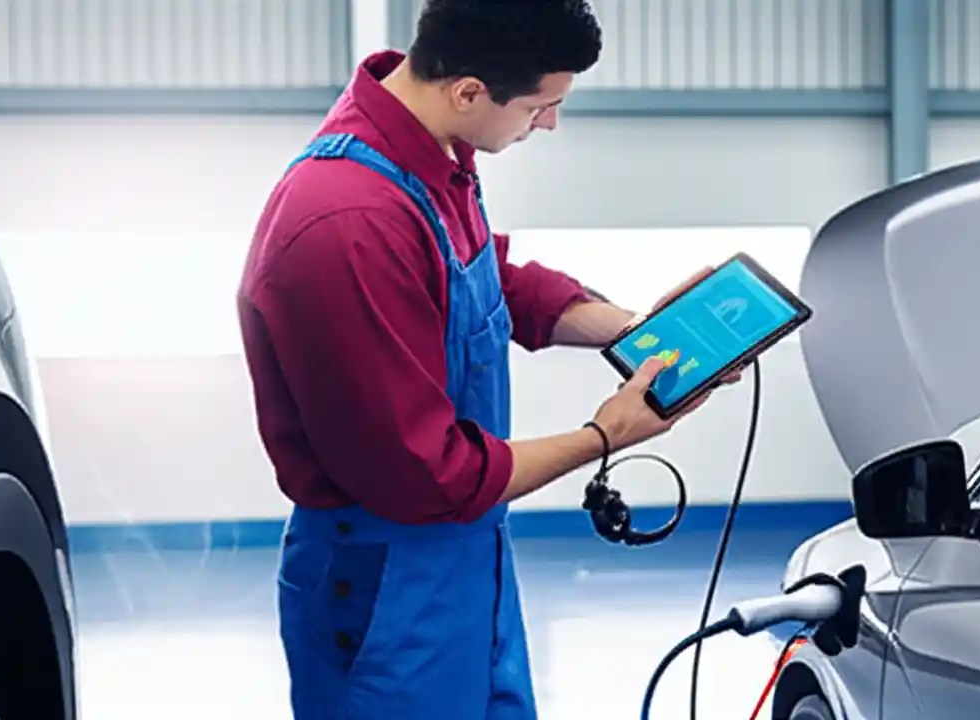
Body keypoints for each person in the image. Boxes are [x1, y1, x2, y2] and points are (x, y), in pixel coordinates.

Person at [236, 1, 734, 717]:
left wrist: (639, 331)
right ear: (470, 89)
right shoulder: (348, 221)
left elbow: (489, 282)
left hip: (469, 562)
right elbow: (429, 475)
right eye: (543, 106)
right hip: (385, 586)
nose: (550, 123)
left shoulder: (436, 153)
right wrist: (605, 437)